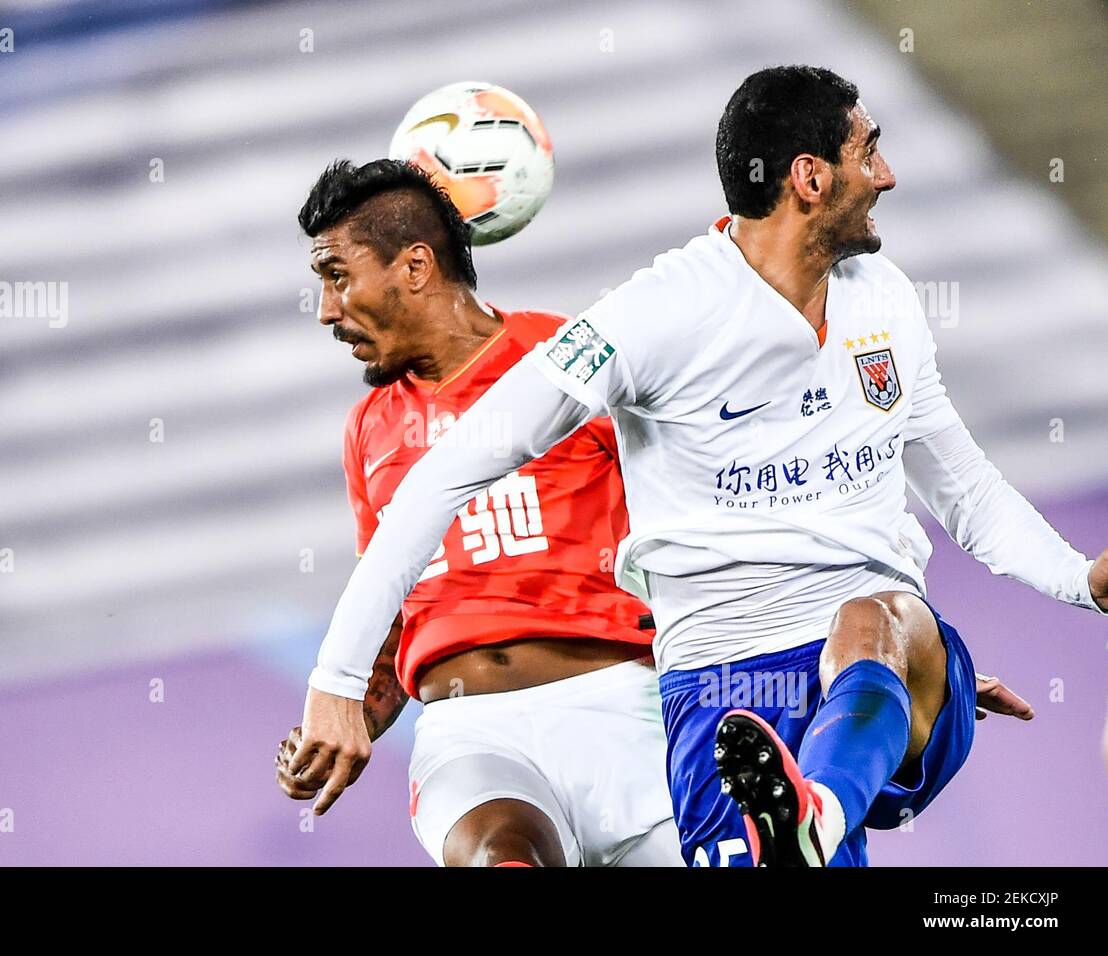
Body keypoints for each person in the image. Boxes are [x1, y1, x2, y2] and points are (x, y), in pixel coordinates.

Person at [287, 67, 1106, 866]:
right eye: (870, 153)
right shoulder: (652, 319)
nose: (887, 175)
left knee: (878, 618)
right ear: (810, 178)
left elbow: (962, 487)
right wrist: (340, 680)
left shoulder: (884, 299)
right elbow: (448, 476)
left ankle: (822, 795)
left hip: (807, 663)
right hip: (721, 702)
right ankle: (813, 808)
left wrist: (1069, 585)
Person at [275, 159, 682, 867]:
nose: (325, 310)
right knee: (502, 857)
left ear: (415, 266)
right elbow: (395, 612)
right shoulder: (369, 429)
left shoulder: (570, 361)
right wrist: (351, 714)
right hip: (472, 737)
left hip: (629, 713)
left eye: (336, 275)